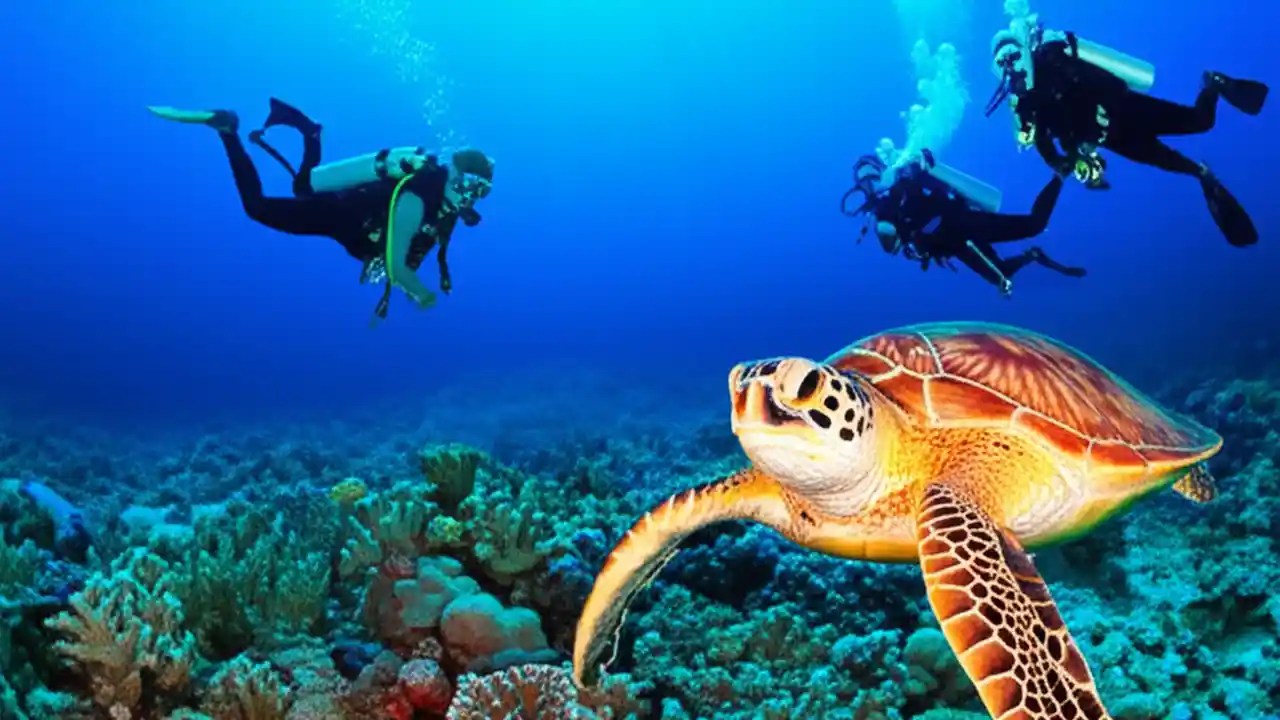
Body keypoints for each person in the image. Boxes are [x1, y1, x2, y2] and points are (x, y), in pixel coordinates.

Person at [147, 98, 494, 319]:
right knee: (256, 207)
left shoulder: (445, 207)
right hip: (337, 215)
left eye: (480, 191)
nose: (469, 196)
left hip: (348, 223)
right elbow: (396, 265)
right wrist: (423, 295)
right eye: (467, 185)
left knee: (302, 186)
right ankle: (227, 128)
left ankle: (312, 133)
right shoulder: (416, 200)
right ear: (453, 175)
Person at [986, 20, 1268, 247]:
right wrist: (1063, 161)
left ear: (1023, 51)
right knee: (1168, 161)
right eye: (1002, 63)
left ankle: (1212, 84)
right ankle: (1203, 175)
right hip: (1115, 140)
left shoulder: (1052, 60)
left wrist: (1102, 108)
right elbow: (1043, 141)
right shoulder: (1025, 106)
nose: (1010, 66)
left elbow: (1107, 81)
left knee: (1201, 121)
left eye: (1012, 56)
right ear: (996, 71)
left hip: (1129, 110)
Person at [843, 151, 1085, 297]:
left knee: (1031, 229)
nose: (871, 185)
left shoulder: (906, 179)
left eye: (871, 178)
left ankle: (1059, 175)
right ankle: (1032, 255)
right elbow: (894, 246)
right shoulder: (882, 210)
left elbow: (938, 184)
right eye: (865, 181)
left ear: (882, 170)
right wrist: (886, 222)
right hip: (953, 242)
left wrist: (923, 168)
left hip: (964, 226)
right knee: (1004, 271)